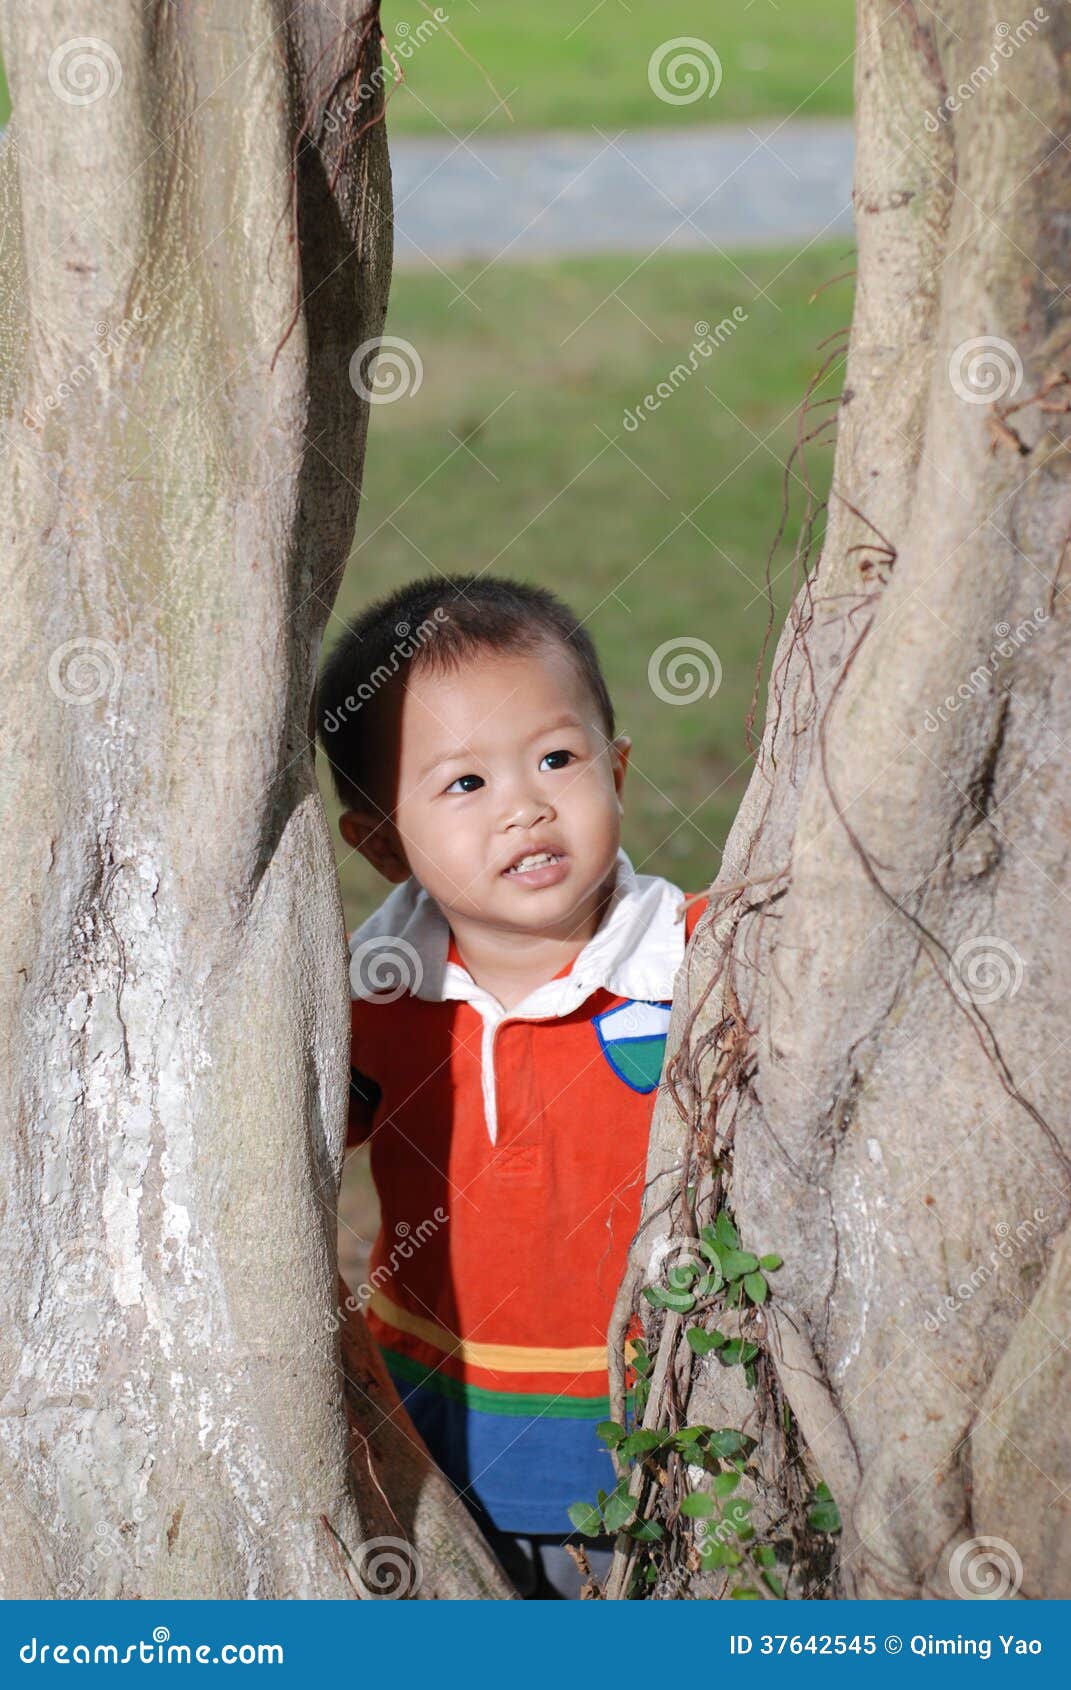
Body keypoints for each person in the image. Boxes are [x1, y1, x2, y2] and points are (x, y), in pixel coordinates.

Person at [317, 573, 708, 1600]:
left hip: (661, 1422)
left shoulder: (701, 965)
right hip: (432, 1428)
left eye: (556, 760)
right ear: (380, 843)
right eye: (464, 784)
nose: (526, 806)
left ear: (616, 771)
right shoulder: (368, 997)